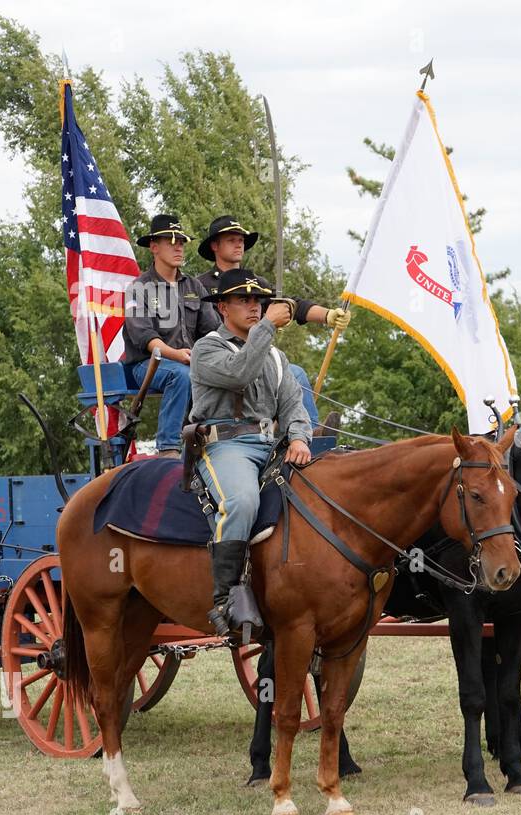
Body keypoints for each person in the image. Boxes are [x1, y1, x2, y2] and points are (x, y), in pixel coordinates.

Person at [189, 267, 312, 641]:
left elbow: (293, 405)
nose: (254, 307)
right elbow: (239, 374)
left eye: (258, 300)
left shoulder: (275, 357)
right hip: (224, 446)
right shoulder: (206, 348)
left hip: (271, 447)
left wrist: (299, 438)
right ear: (223, 306)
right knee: (241, 502)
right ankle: (226, 598)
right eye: (243, 299)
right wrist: (268, 329)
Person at [195, 214, 350, 427]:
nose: (239, 244)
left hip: (257, 356)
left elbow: (290, 305)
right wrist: (266, 324)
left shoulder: (257, 284)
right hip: (218, 362)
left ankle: (310, 434)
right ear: (215, 245)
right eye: (232, 240)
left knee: (294, 372)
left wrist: (328, 315)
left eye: (241, 240)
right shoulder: (200, 285)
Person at [122, 214, 218, 457]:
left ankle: (222, 439)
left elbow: (212, 330)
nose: (178, 246)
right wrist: (177, 355)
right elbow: (144, 336)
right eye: (171, 241)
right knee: (181, 375)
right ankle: (168, 449)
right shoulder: (138, 287)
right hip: (148, 365)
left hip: (190, 362)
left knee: (230, 372)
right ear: (154, 247)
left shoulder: (194, 286)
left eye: (182, 242)